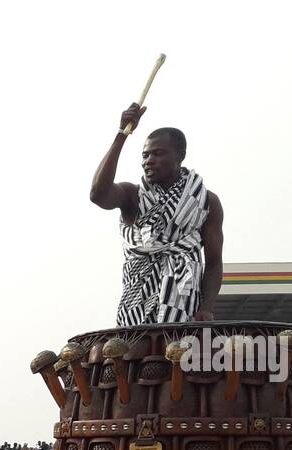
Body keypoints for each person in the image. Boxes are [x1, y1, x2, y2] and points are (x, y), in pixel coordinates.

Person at [90, 108, 223, 325]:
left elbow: (215, 262)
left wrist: (206, 308)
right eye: (145, 155)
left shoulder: (206, 202)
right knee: (128, 353)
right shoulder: (132, 196)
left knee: (178, 352)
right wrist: (121, 134)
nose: (149, 160)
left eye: (158, 153)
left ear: (180, 156)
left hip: (184, 303)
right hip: (134, 304)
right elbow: (98, 195)